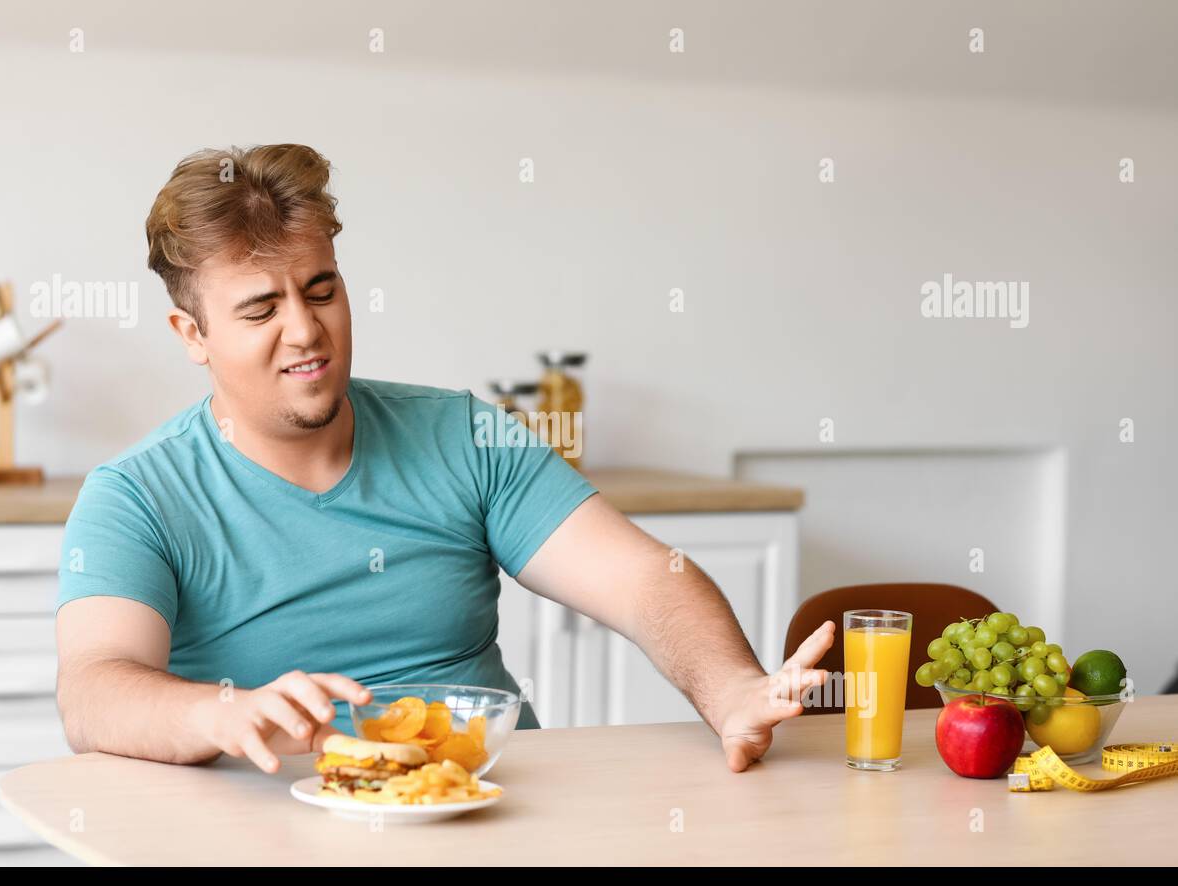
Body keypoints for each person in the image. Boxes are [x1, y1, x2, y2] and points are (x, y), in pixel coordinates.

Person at [55, 143, 834, 776]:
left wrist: (730, 688)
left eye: (322, 291)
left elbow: (642, 580)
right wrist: (221, 711)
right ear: (191, 334)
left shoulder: (462, 434)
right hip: (275, 827)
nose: (305, 331)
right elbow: (93, 690)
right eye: (260, 309)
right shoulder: (136, 496)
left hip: (488, 808)